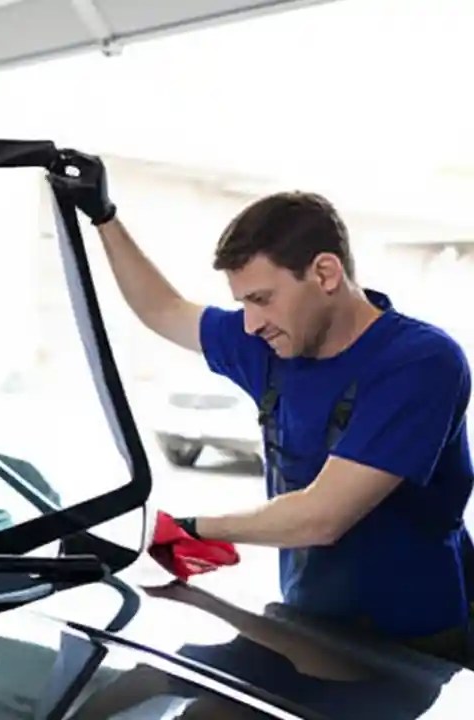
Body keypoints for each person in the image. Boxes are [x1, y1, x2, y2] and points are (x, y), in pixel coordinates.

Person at [46, 148, 474, 665]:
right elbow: (164, 310)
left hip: (417, 647)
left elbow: (322, 517)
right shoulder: (272, 345)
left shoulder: (420, 363)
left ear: (325, 273)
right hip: (307, 627)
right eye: (244, 302)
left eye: (262, 298)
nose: (249, 323)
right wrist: (104, 216)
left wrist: (187, 526)